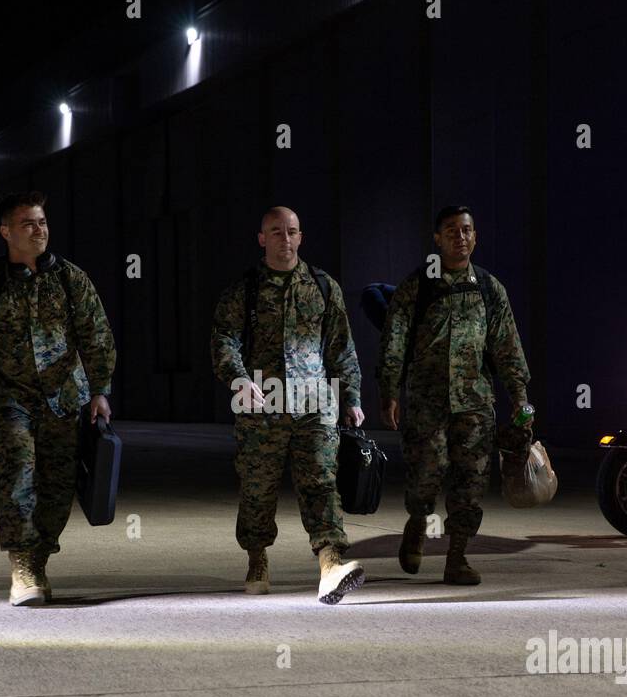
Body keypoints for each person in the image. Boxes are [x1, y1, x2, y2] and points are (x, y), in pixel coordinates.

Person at [0, 191, 116, 606]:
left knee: (58, 487)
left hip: (66, 399)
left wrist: (101, 391)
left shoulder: (70, 279)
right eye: (29, 223)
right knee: (16, 473)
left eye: (43, 222)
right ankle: (22, 567)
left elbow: (97, 337)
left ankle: (39, 559)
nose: (39, 230)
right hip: (12, 398)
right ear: (5, 232)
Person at [210, 206, 366, 604]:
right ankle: (257, 557)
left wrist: (350, 397)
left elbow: (341, 347)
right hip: (262, 405)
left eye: (292, 231)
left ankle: (331, 564)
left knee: (321, 482)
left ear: (301, 237)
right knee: (257, 490)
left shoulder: (323, 287)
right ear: (262, 238)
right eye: (276, 232)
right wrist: (239, 379)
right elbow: (224, 340)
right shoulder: (243, 290)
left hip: (315, 403)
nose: (285, 239)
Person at [377, 205, 531, 584]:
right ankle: (417, 524)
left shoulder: (490, 289)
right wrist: (389, 391)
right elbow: (394, 341)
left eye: (466, 231)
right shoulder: (419, 285)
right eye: (451, 231)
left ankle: (457, 557)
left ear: (475, 237)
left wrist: (519, 396)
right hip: (426, 402)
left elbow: (507, 347)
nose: (459, 237)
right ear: (437, 238)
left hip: (475, 404)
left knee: (471, 484)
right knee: (425, 478)